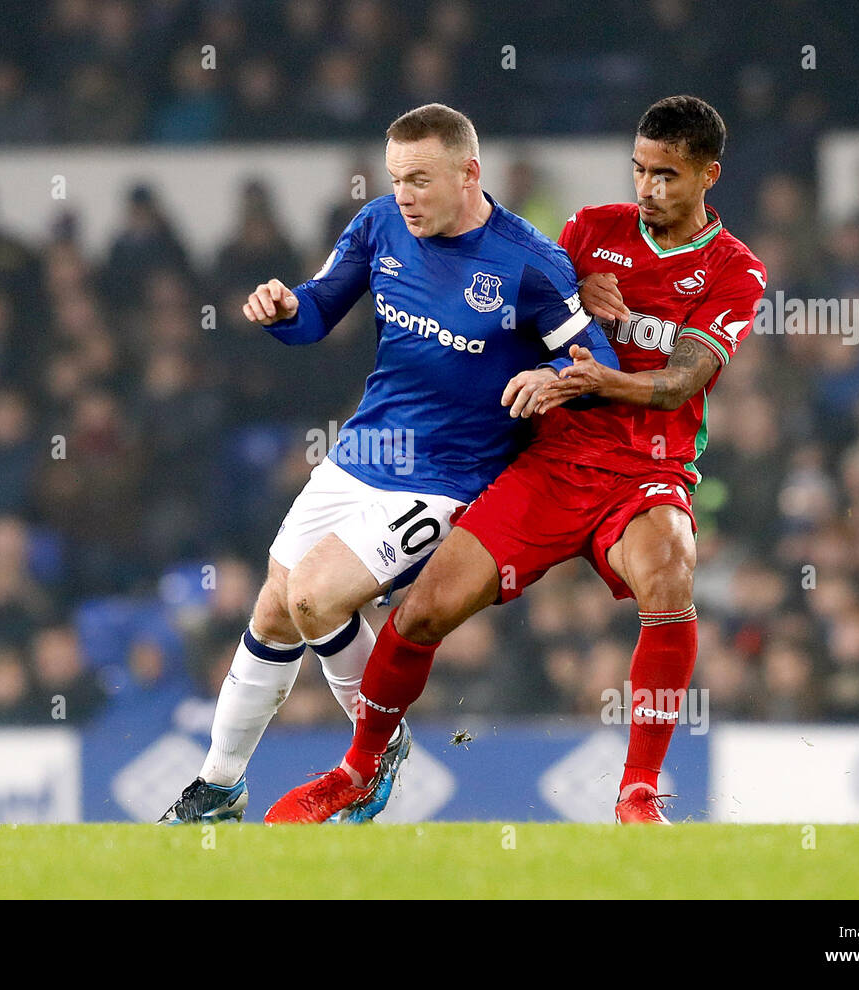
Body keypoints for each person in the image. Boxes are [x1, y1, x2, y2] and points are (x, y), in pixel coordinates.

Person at [266, 95, 767, 826]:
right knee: (426, 608)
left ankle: (637, 792)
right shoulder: (588, 233)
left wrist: (592, 377)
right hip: (552, 459)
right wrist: (546, 365)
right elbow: (527, 320)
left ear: (708, 175)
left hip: (644, 468)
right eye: (639, 170)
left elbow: (682, 382)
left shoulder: (735, 270)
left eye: (667, 175)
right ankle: (359, 768)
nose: (648, 189)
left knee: (670, 566)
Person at [161, 102, 617, 823]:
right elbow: (317, 311)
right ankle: (218, 787)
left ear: (470, 174)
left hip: (448, 480)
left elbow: (605, 363)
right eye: (397, 177)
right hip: (361, 454)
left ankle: (379, 748)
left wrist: (557, 378)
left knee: (315, 596)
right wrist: (285, 311)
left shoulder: (527, 264)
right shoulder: (378, 226)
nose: (404, 194)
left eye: (420, 180)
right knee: (277, 610)